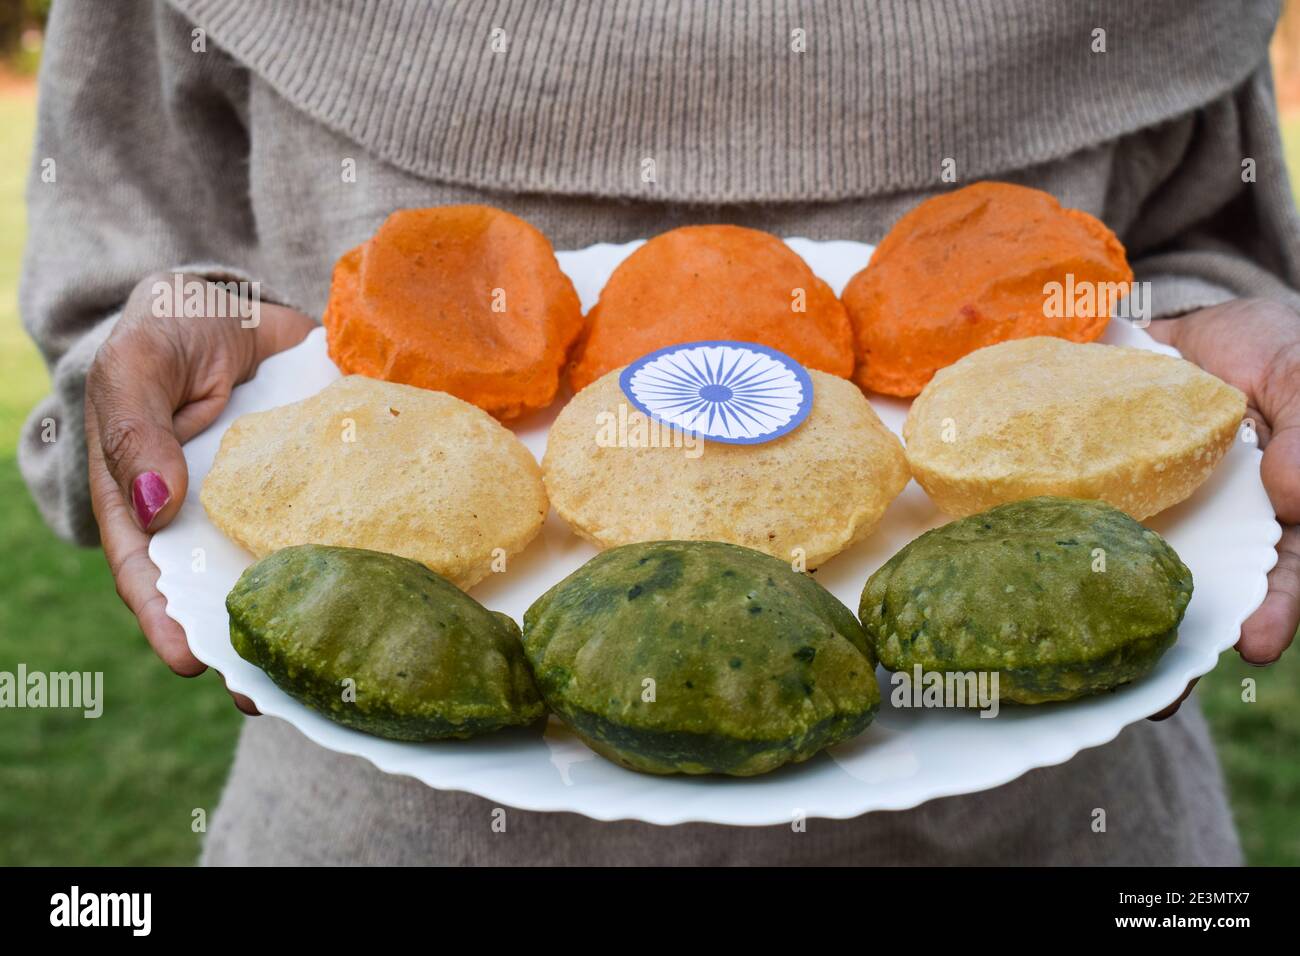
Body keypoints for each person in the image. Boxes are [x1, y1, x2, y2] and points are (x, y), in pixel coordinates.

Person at [19, 0, 1299, 865]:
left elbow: (1195, 254)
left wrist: (1219, 366)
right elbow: (122, 293)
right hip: (378, 824)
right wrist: (151, 383)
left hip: (1065, 815)